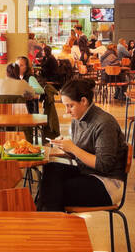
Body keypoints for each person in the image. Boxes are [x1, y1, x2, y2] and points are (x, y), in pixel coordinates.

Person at [36, 78, 128, 212]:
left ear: (84, 101)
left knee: (53, 191)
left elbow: (104, 165)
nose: (67, 111)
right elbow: (81, 153)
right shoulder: (78, 119)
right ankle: (49, 223)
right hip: (88, 173)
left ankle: (48, 226)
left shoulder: (104, 123)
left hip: (108, 184)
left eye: (70, 105)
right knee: (50, 170)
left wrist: (72, 148)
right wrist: (65, 147)